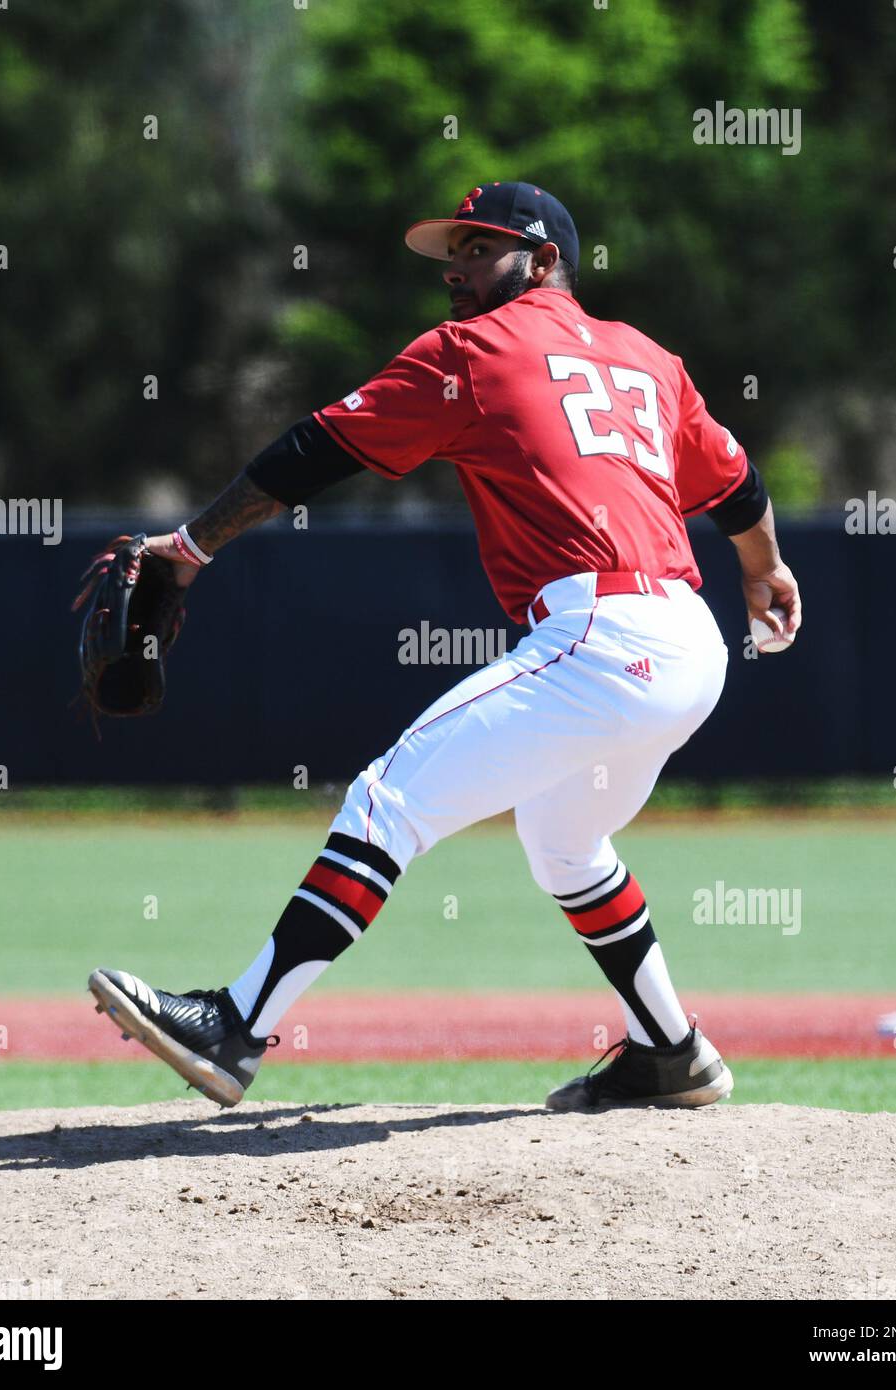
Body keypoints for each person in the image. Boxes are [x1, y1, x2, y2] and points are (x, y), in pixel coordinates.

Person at [89, 181, 801, 1111]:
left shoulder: (473, 350)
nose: (456, 269)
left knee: (388, 798)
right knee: (566, 841)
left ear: (543, 262)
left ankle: (235, 1025)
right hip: (689, 646)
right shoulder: (646, 358)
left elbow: (317, 449)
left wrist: (188, 547)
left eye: (481, 249)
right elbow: (736, 482)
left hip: (603, 635)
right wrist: (766, 570)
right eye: (451, 252)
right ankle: (669, 1048)